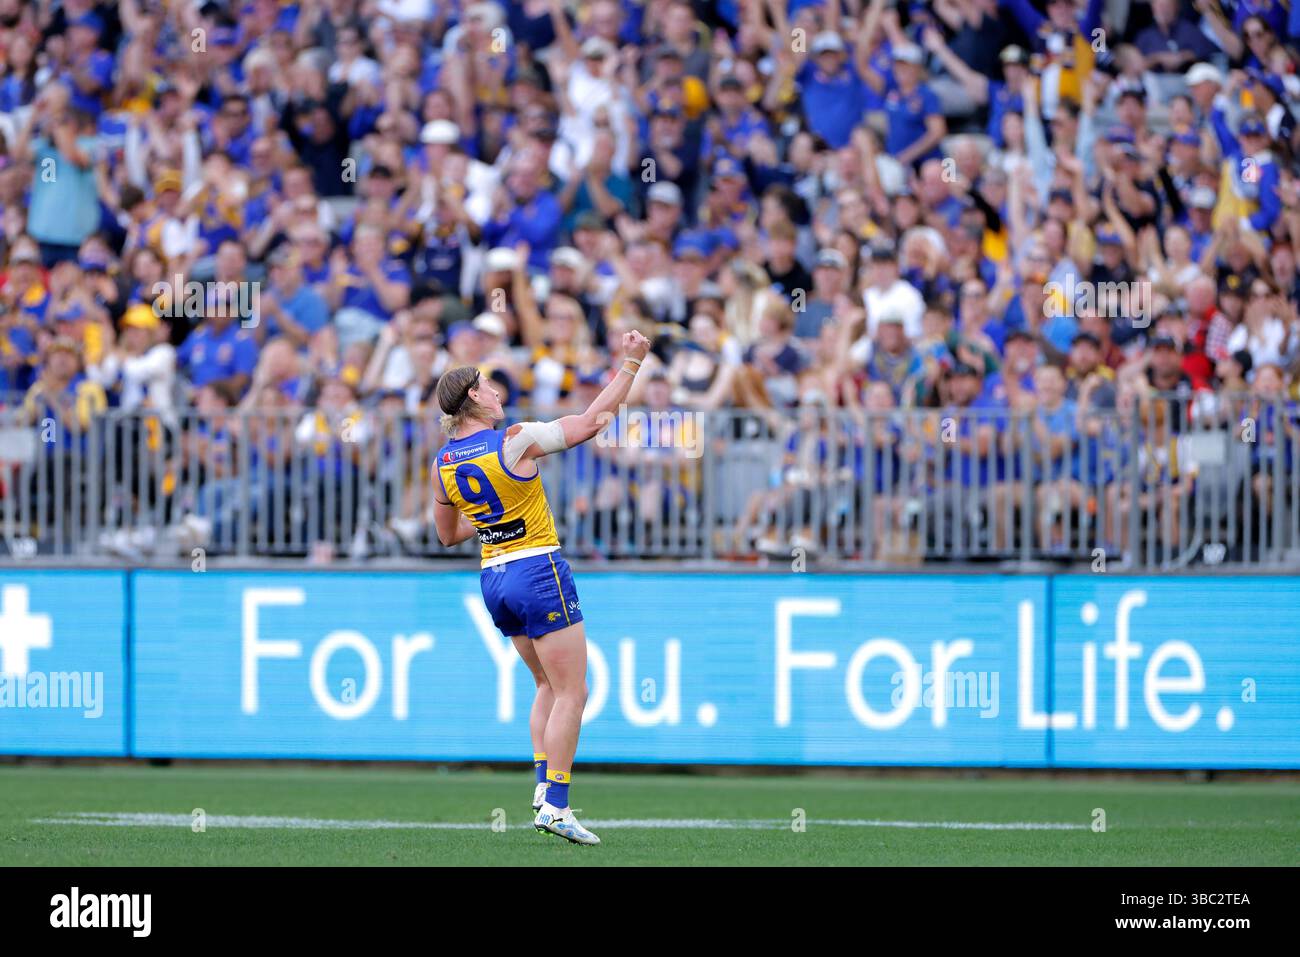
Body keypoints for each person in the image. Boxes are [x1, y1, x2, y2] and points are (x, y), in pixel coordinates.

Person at [432, 327, 652, 845]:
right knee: (574, 690)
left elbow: (447, 534)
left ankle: (539, 788)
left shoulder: (443, 463)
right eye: (488, 386)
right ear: (472, 397)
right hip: (537, 568)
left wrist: (493, 522)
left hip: (494, 577)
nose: (497, 392)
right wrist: (630, 365)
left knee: (547, 687)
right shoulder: (515, 440)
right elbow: (591, 424)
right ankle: (555, 804)